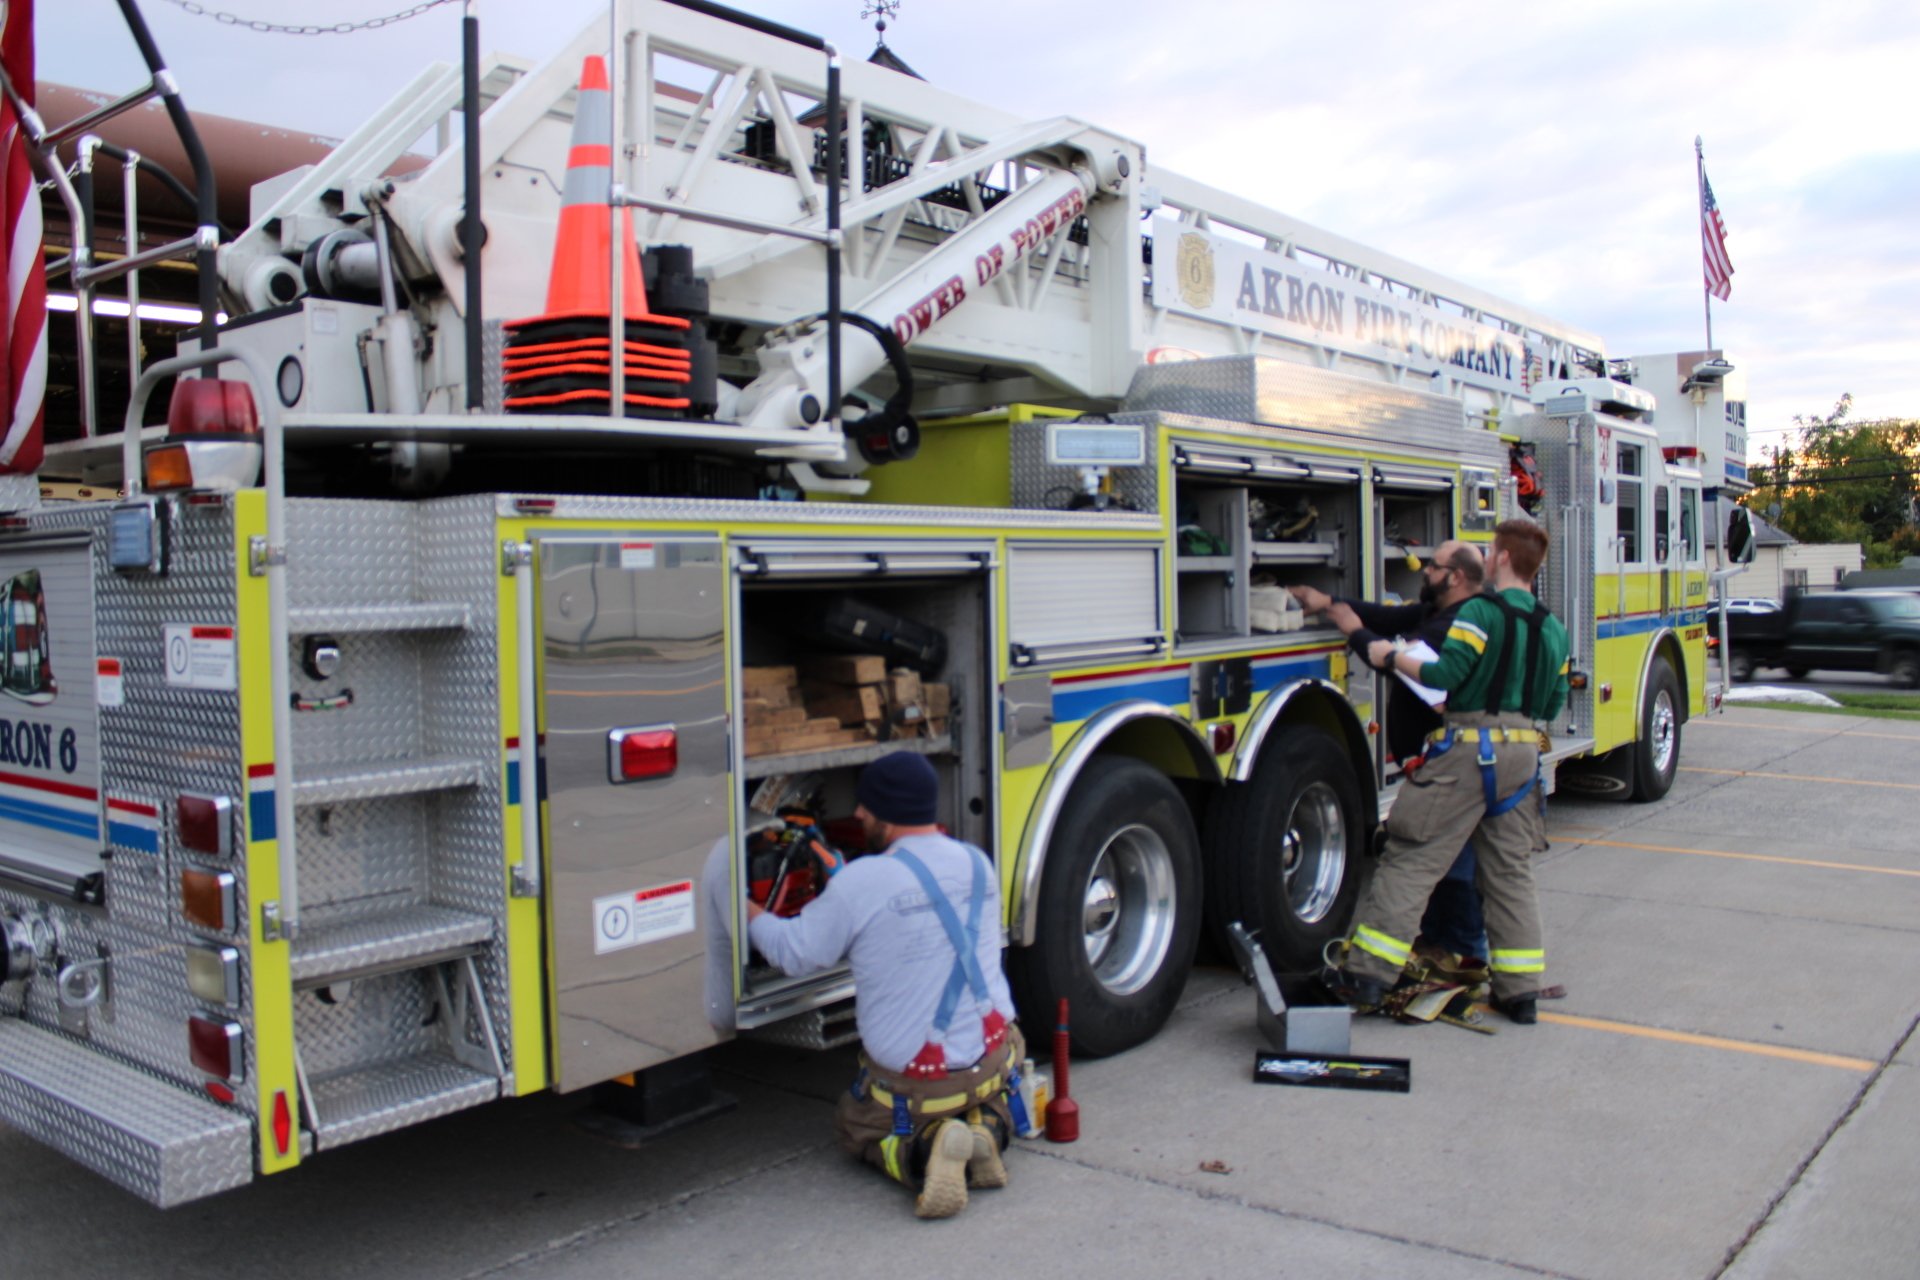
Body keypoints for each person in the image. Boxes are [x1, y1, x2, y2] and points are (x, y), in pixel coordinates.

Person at [747, 752, 1023, 1219]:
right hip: (996, 1056)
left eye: (865, 807)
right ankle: (986, 1130)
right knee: (991, 1069)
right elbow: (917, 902)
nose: (856, 814)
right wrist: (849, 888)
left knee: (854, 1125)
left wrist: (742, 909)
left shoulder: (862, 882)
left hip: (921, 1081)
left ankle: (925, 1150)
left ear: (887, 816)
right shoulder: (977, 863)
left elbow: (795, 953)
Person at [1326, 519, 1570, 1025]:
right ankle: (1520, 993)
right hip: (1523, 757)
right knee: (1510, 873)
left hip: (1468, 748)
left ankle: (1368, 978)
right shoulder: (1552, 627)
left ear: (1501, 559)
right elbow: (1554, 699)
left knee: (1412, 857)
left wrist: (1389, 655)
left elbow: (1443, 674)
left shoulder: (1479, 612)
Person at [1290, 543, 1490, 969]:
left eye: (1432, 566)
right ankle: (1444, 944)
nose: (1424, 571)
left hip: (1449, 760)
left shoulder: (1459, 622)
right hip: (1439, 758)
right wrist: (1331, 602)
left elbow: (1405, 665)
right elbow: (1390, 617)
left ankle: (1463, 951)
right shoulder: (1437, 611)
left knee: (1446, 857)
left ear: (1453, 577)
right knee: (1449, 855)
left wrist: (1353, 631)